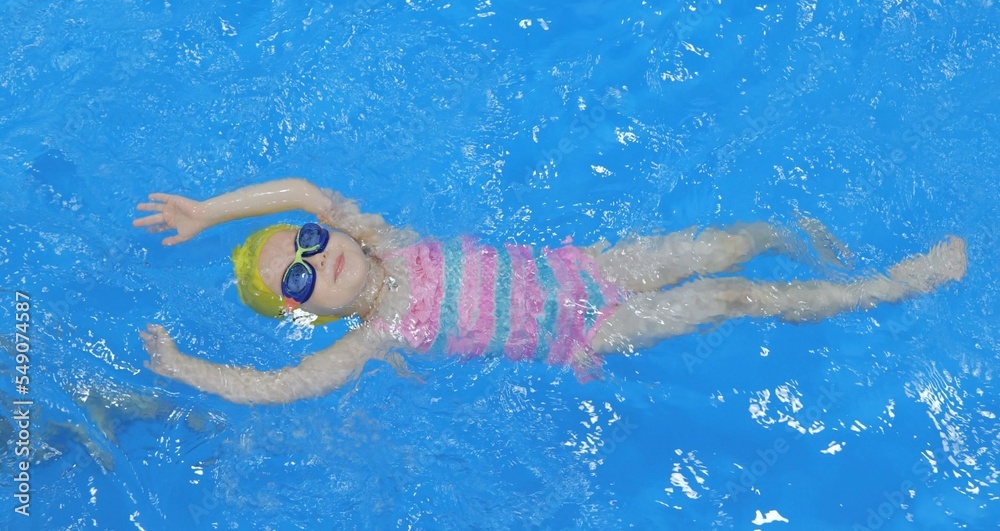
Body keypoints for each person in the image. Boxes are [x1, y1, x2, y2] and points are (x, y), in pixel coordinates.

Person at [133, 178, 968, 405]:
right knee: (724, 297)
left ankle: (803, 243)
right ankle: (888, 287)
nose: (320, 254)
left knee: (725, 242)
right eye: (301, 275)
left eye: (312, 242)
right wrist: (187, 369)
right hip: (587, 332)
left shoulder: (384, 238)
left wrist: (209, 211)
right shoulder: (373, 337)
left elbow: (303, 188)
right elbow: (279, 387)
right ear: (302, 310)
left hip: (586, 269)